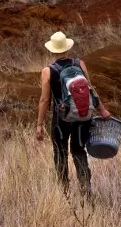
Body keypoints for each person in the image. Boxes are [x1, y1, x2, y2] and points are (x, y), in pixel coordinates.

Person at [36, 31, 111, 196]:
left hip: (61, 119)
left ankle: (64, 192)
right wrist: (103, 110)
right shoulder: (80, 64)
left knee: (60, 152)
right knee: (78, 150)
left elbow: (44, 100)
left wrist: (40, 125)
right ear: (67, 48)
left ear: (52, 50)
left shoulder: (48, 71)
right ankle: (85, 188)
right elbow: (90, 89)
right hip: (83, 116)